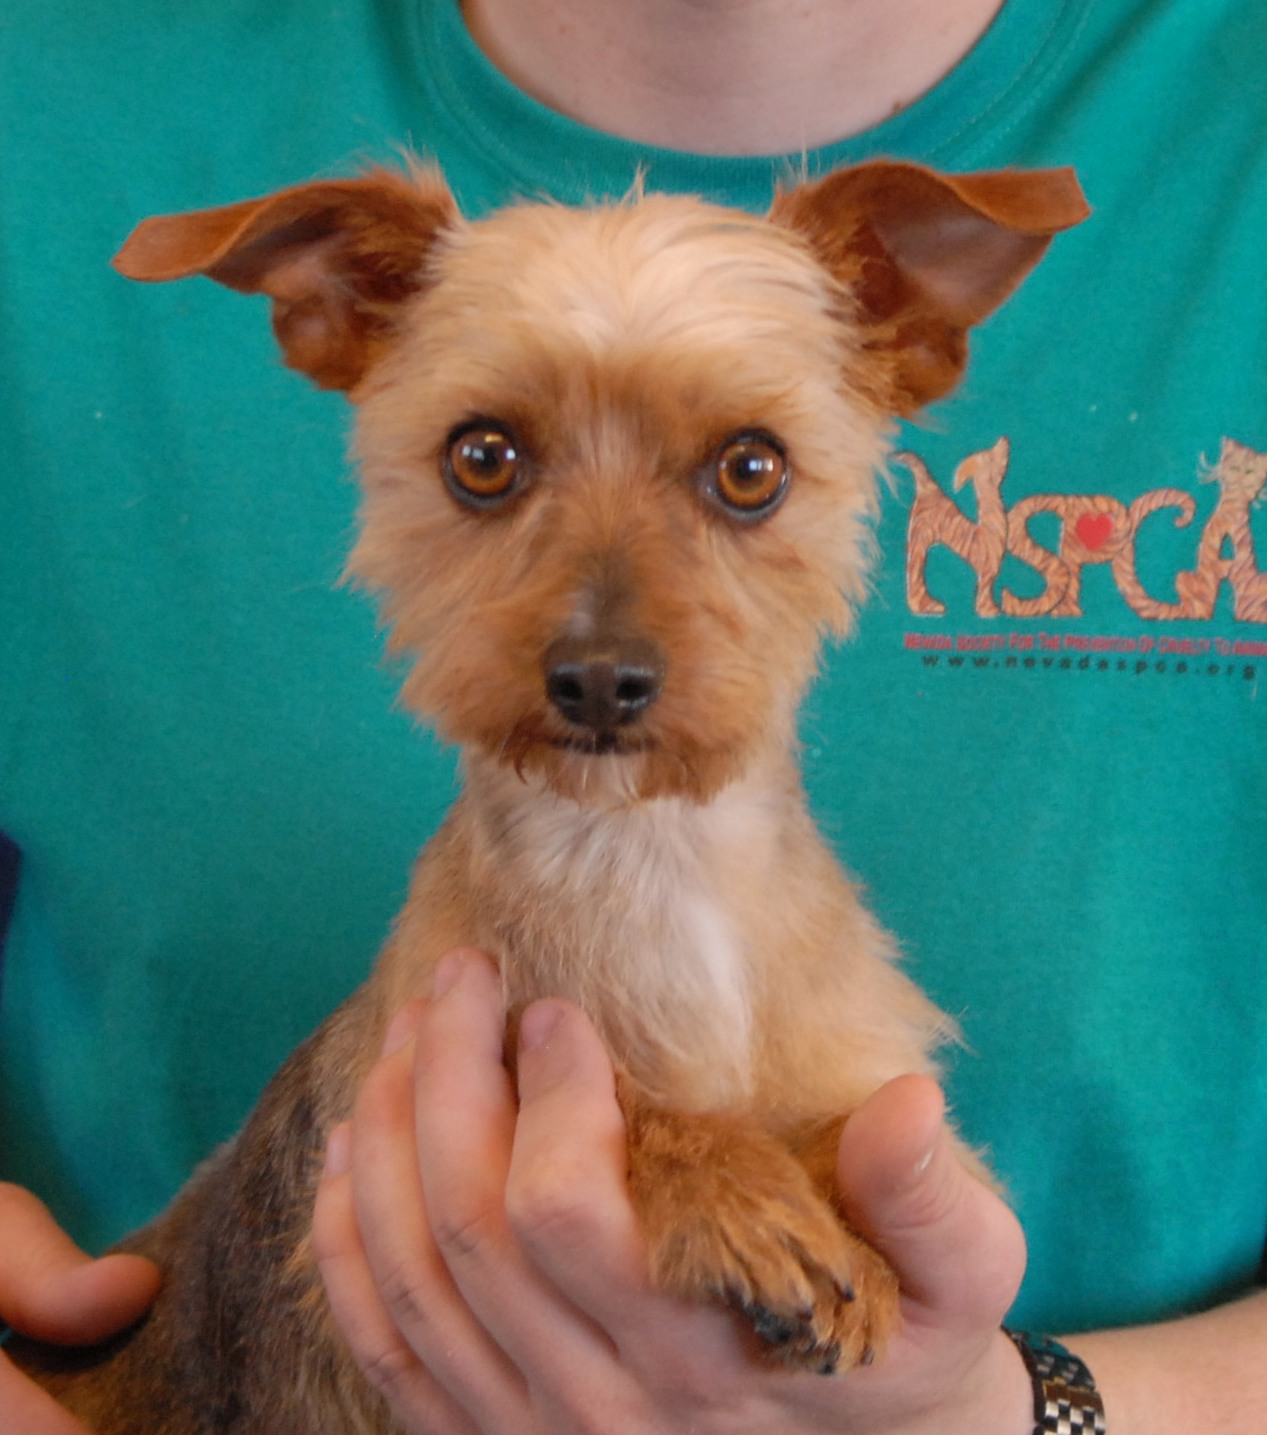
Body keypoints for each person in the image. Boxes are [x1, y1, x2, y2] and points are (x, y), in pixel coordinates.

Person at [2, 0, 1265, 1431]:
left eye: (743, 475)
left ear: (903, 326)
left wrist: (1023, 1415)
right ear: (339, 317)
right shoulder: (41, 100)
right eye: (490, 463)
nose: (603, 645)